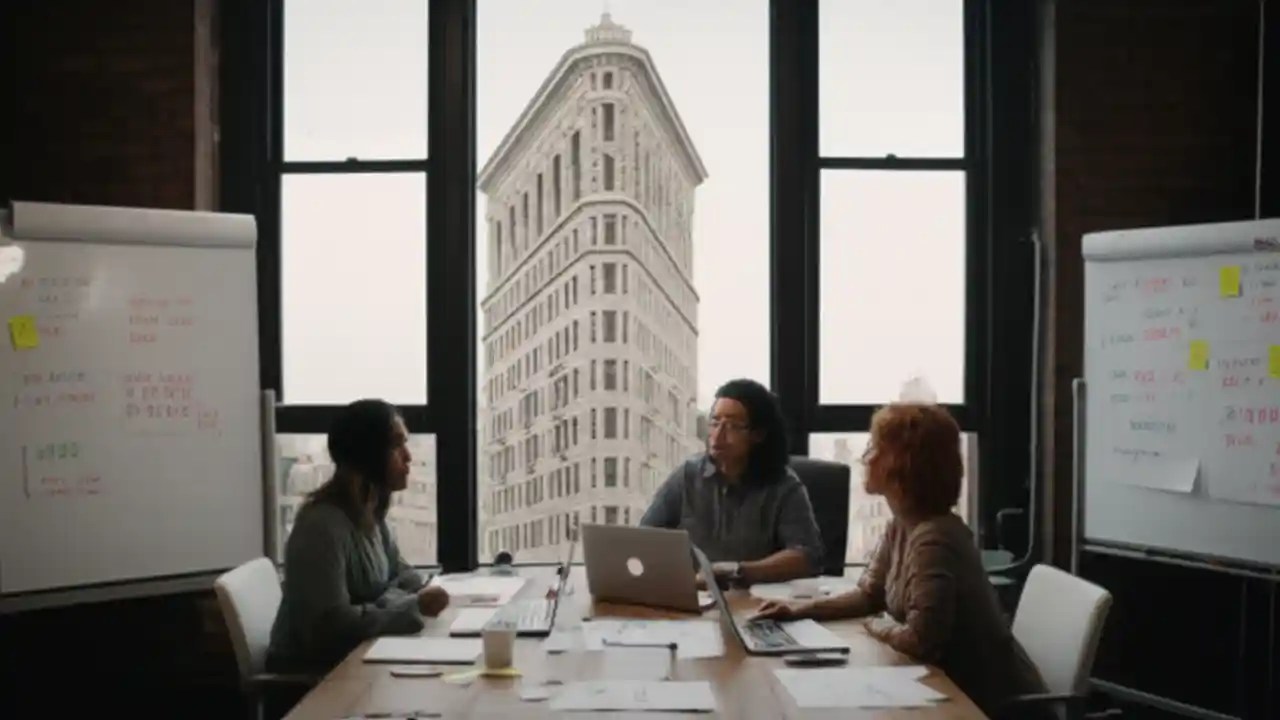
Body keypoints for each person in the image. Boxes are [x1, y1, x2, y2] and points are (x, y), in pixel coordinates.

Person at [753, 403, 1046, 716]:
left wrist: (876, 626)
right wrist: (799, 611)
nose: (866, 458)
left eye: (875, 448)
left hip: (987, 706)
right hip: (945, 690)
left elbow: (922, 641)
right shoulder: (902, 524)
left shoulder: (934, 538)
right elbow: (869, 595)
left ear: (905, 464)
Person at [266, 399, 450, 674]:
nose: (408, 456)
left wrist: (419, 592)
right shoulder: (320, 527)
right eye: (397, 445)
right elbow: (331, 629)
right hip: (314, 681)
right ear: (369, 453)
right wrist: (411, 605)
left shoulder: (369, 511)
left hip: (357, 660)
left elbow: (398, 574)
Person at [640, 378, 823, 586]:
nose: (718, 435)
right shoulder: (687, 476)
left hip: (755, 603)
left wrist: (736, 571)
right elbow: (646, 537)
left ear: (758, 434)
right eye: (715, 422)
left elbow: (807, 557)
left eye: (733, 426)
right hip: (693, 600)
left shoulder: (784, 487)